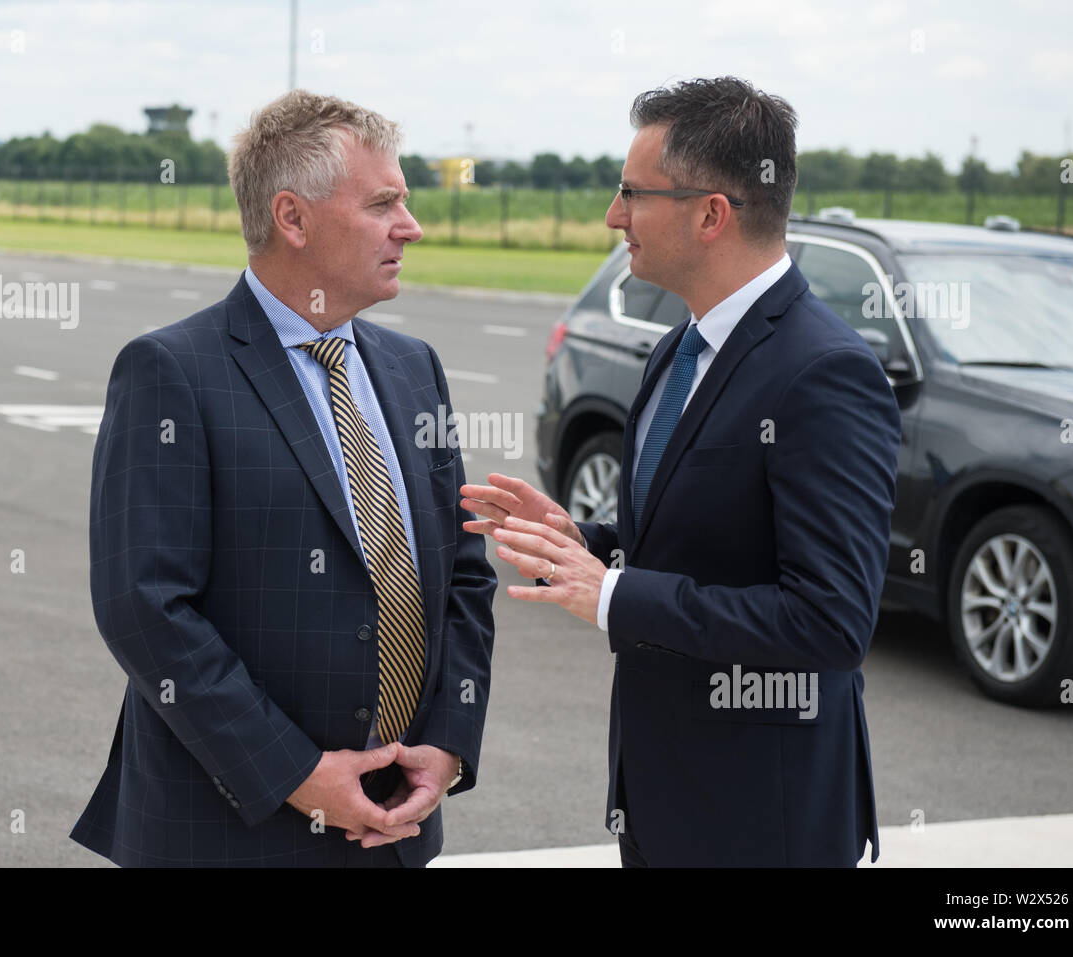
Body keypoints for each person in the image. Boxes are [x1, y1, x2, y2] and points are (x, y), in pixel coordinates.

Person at [462, 77, 901, 866]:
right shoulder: (679, 348)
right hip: (662, 795)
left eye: (633, 192)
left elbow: (829, 623)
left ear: (711, 214)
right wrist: (587, 541)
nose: (613, 214)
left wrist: (614, 595)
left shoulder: (824, 371)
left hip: (764, 820)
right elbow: (695, 542)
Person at [70, 90, 496, 867]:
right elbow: (145, 607)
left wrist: (447, 744)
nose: (412, 225)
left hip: (393, 828)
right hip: (229, 833)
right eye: (383, 203)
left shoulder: (413, 369)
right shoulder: (173, 371)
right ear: (293, 219)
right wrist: (297, 774)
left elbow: (464, 574)